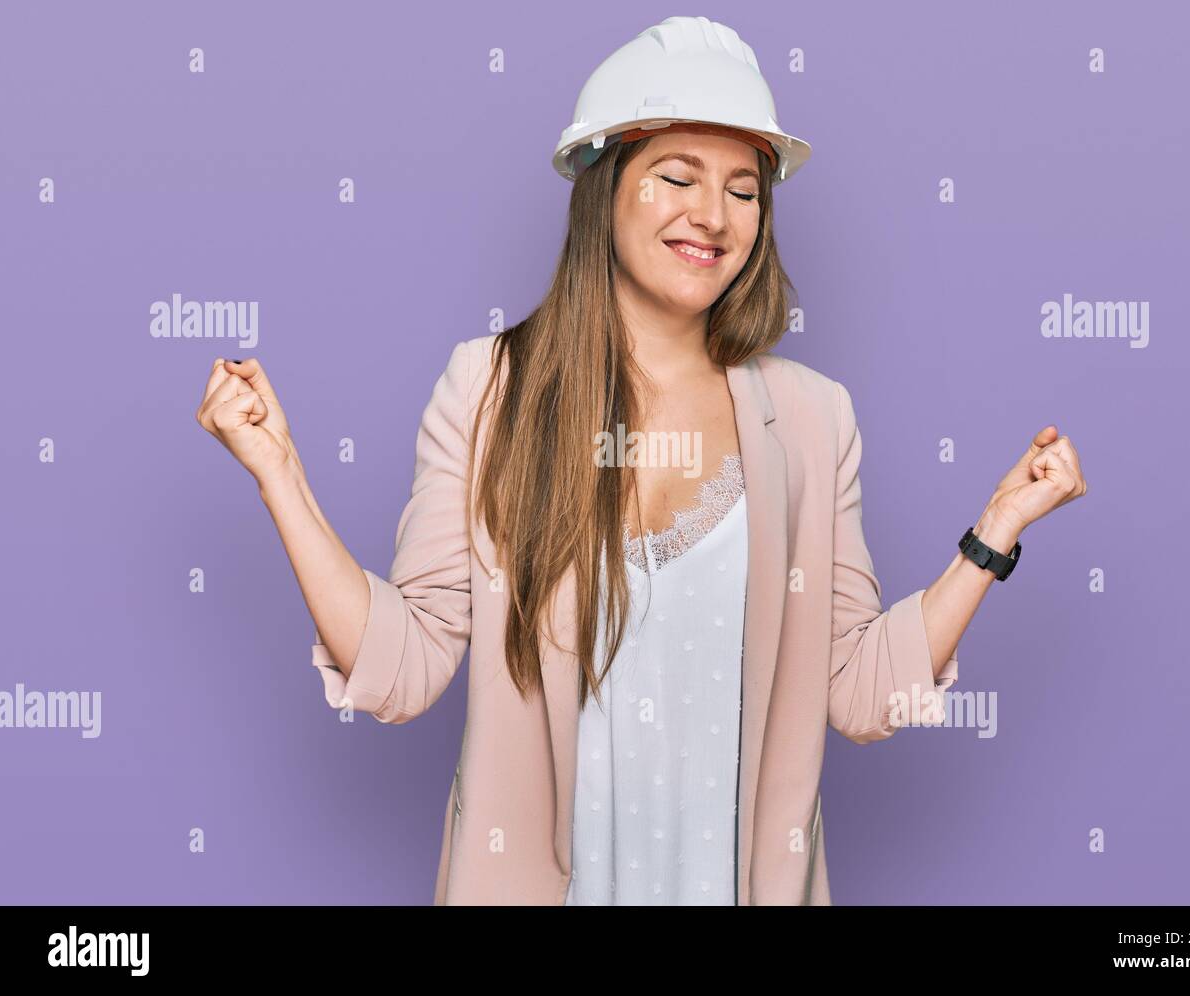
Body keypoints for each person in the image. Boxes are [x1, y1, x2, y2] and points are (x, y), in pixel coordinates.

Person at [195, 16, 1087, 905]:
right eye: (677, 177)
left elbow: (860, 696)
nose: (713, 215)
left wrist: (994, 533)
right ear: (605, 186)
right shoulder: (488, 389)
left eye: (744, 191)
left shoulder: (814, 419)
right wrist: (281, 474)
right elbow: (401, 669)